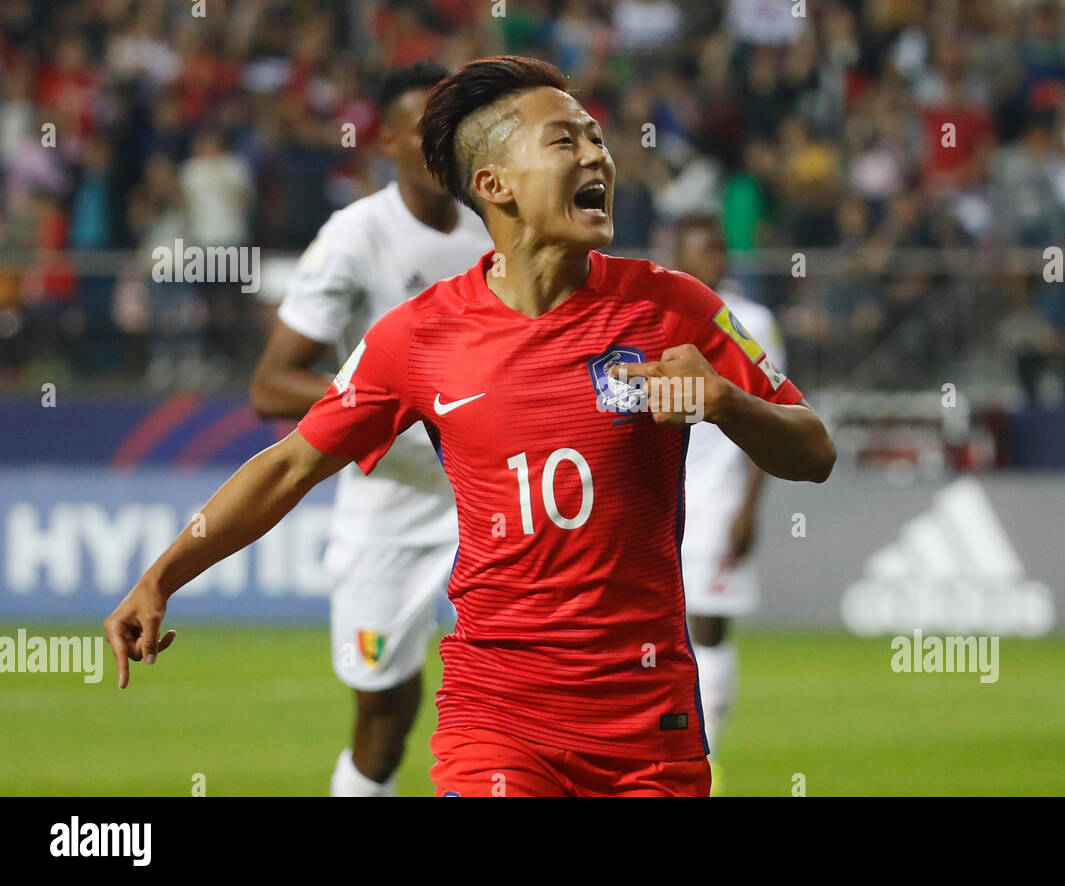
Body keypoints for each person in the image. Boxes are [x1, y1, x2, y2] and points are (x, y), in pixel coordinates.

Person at [105, 55, 836, 797]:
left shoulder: (675, 305)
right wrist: (161, 577)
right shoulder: (416, 338)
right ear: (494, 185)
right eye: (563, 141)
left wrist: (726, 403)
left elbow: (814, 449)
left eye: (595, 138)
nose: (595, 155)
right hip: (497, 723)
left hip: (649, 731)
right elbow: (290, 465)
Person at [249, 62, 490, 797]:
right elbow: (269, 384)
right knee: (385, 723)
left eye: (452, 131)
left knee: (525, 700)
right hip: (391, 513)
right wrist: (385, 400)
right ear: (385, 141)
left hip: (489, 501)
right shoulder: (354, 238)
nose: (441, 146)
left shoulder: (490, 224)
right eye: (424, 132)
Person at [671, 213, 783, 791]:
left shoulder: (752, 320)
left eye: (718, 249)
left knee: (708, 626)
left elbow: (773, 412)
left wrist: (750, 506)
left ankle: (706, 755)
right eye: (701, 249)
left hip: (720, 497)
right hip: (657, 498)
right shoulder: (651, 315)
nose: (713, 259)